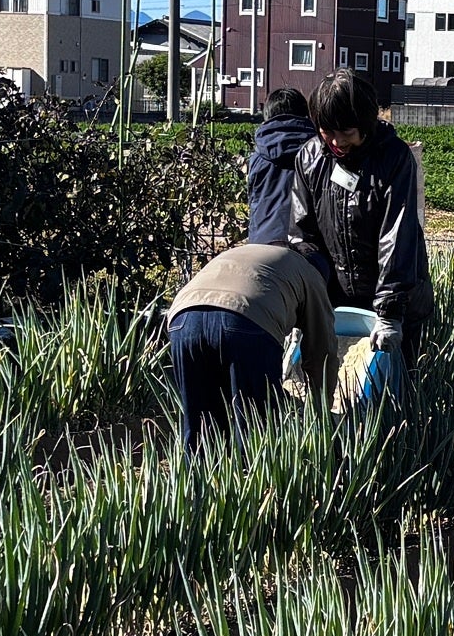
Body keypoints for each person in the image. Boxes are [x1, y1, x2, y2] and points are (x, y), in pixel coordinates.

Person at [291, 69, 433, 366]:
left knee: (395, 382)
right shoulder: (309, 158)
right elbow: (303, 236)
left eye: (346, 132)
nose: (336, 141)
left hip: (395, 302)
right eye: (327, 130)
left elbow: (396, 236)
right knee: (339, 384)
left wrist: (389, 312)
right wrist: (306, 303)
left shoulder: (393, 157)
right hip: (338, 302)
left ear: (365, 123)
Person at [167, 242, 337, 451]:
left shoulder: (251, 255)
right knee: (255, 428)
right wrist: (321, 411)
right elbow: (322, 352)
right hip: (245, 321)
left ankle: (199, 472)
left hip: (183, 319)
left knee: (201, 426)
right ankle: (251, 471)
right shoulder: (310, 272)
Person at [246, 88, 316, 246]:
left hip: (262, 241)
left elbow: (253, 198)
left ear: (267, 115)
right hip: (305, 245)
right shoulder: (316, 152)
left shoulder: (258, 155)